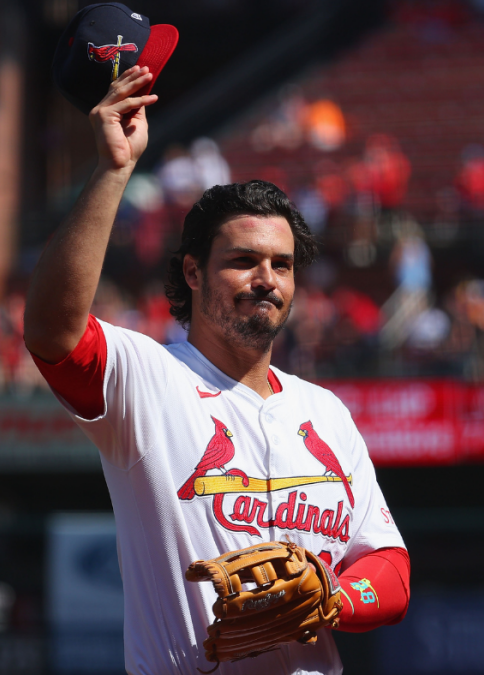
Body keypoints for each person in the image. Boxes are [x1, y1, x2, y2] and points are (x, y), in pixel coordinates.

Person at [26, 65, 409, 673]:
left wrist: (336, 598)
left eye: (281, 265)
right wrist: (113, 170)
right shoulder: (147, 380)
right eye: (243, 261)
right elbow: (51, 333)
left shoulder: (325, 413)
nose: (267, 280)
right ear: (193, 272)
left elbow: (389, 564)